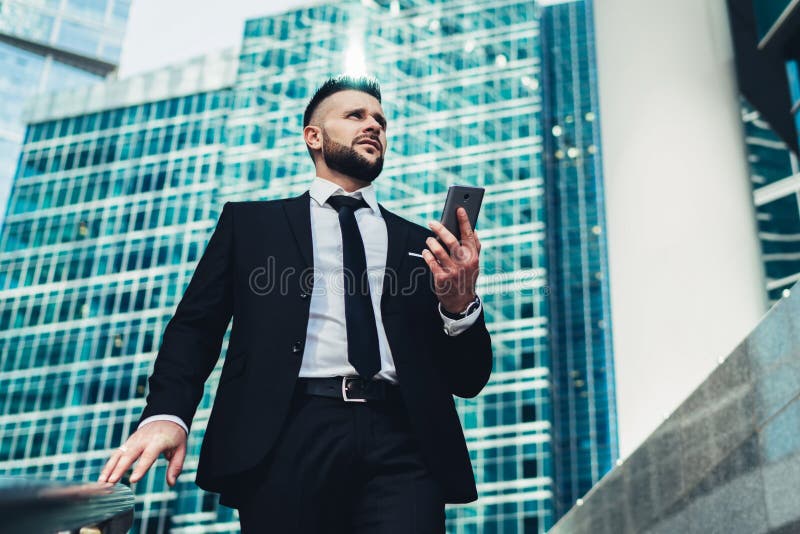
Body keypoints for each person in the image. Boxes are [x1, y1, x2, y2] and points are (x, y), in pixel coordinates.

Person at [98, 75, 493, 533]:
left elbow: (468, 380)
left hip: (403, 440)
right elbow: (195, 329)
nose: (374, 126)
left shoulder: (421, 244)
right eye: (356, 116)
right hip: (287, 434)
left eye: (381, 121)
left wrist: (459, 304)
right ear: (314, 136)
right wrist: (168, 414)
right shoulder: (250, 225)